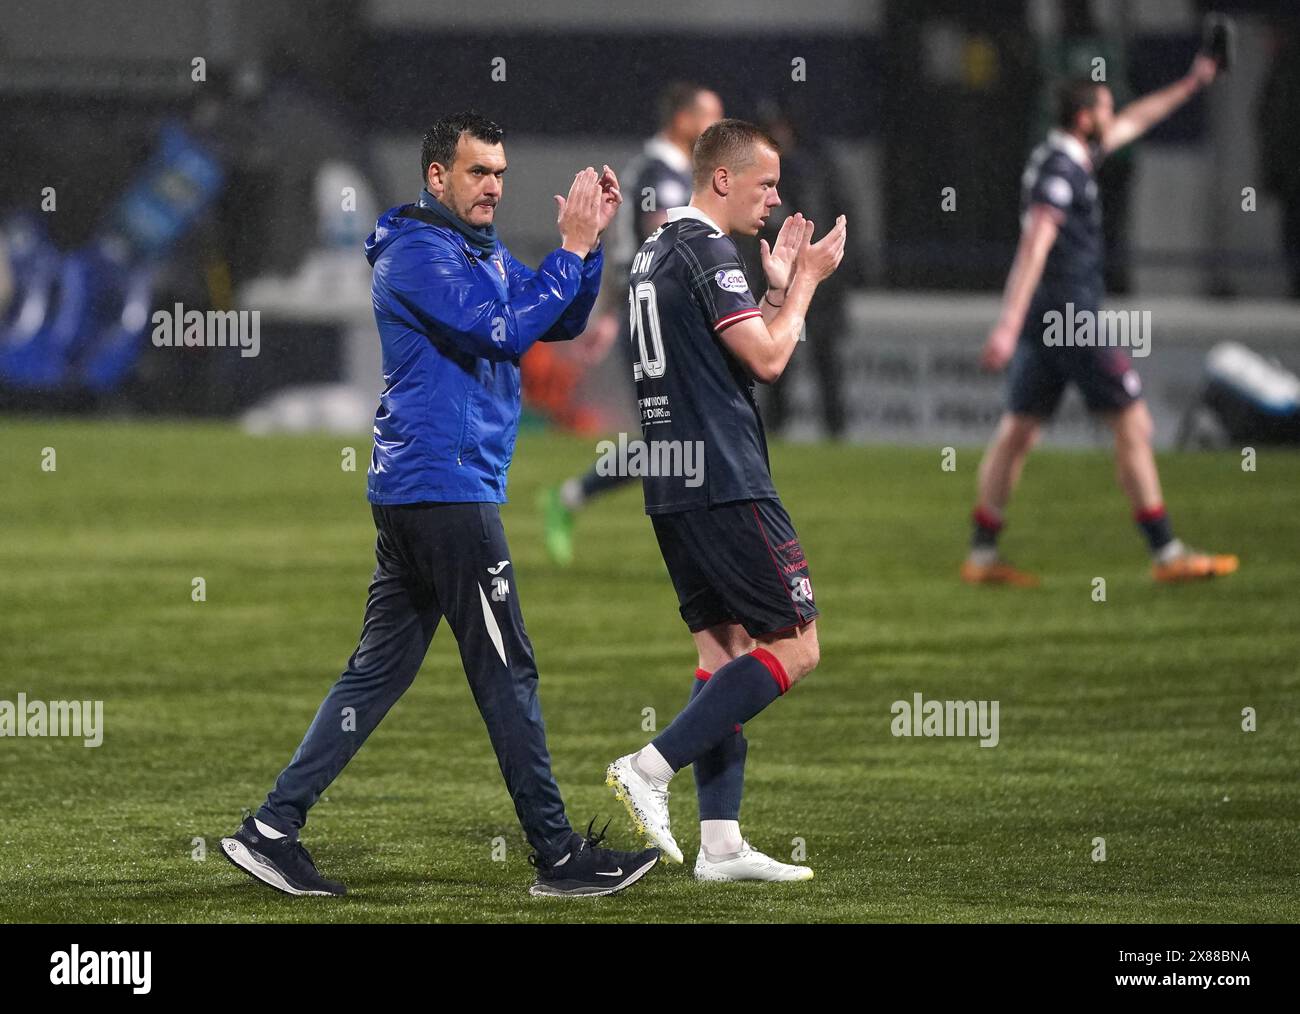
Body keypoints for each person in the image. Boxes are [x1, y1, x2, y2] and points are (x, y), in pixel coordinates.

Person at [220, 112, 659, 899]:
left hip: (428, 492)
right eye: (477, 172)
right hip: (445, 493)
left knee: (376, 675)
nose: (493, 185)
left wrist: (587, 248)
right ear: (436, 177)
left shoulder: (470, 249)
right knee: (507, 671)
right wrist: (571, 249)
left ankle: (271, 829)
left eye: (499, 172)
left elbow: (552, 317)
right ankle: (558, 857)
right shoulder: (421, 252)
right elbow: (502, 330)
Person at [602, 119, 847, 880]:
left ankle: (720, 845)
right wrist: (805, 282)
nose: (775, 199)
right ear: (720, 180)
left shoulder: (655, 251)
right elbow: (771, 363)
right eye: (765, 184)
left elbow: (727, 358)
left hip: (672, 479)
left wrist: (774, 291)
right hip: (723, 479)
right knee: (796, 644)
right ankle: (649, 767)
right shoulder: (707, 250)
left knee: (725, 651)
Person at [964, 58, 1238, 586]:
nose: (1117, 119)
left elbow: (1137, 119)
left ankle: (981, 556)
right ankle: (1167, 553)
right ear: (1086, 118)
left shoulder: (1063, 154)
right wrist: (1005, 323)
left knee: (1016, 433)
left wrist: (1193, 81)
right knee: (1133, 423)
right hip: (1072, 317)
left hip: (1050, 319)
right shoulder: (1063, 171)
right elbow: (1035, 245)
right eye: (1107, 109)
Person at [540, 83, 724, 565]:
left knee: (677, 439)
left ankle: (573, 498)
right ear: (683, 120)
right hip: (658, 319)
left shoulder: (679, 171)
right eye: (710, 116)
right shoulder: (656, 171)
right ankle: (698, 546)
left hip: (668, 315)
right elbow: (662, 240)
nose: (717, 127)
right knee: (675, 438)